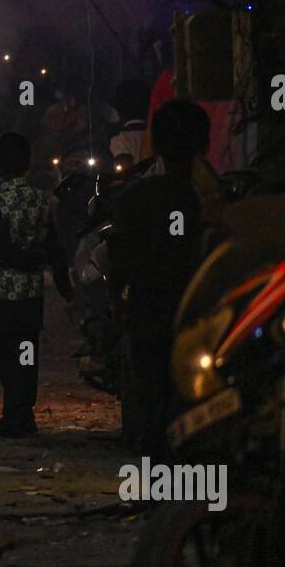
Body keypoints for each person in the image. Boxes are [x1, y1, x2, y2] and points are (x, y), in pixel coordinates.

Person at [106, 99, 213, 457]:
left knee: (152, 400)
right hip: (203, 316)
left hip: (150, 312)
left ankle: (160, 490)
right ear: (205, 144)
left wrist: (119, 307)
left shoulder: (135, 198)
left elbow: (119, 262)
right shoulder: (217, 200)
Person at [0, 132, 72, 439]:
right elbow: (54, 244)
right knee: (27, 356)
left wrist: (30, 259)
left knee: (6, 358)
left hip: (7, 295)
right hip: (32, 297)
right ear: (29, 163)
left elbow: (4, 251)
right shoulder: (40, 200)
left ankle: (14, 417)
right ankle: (23, 414)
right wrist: (57, 277)